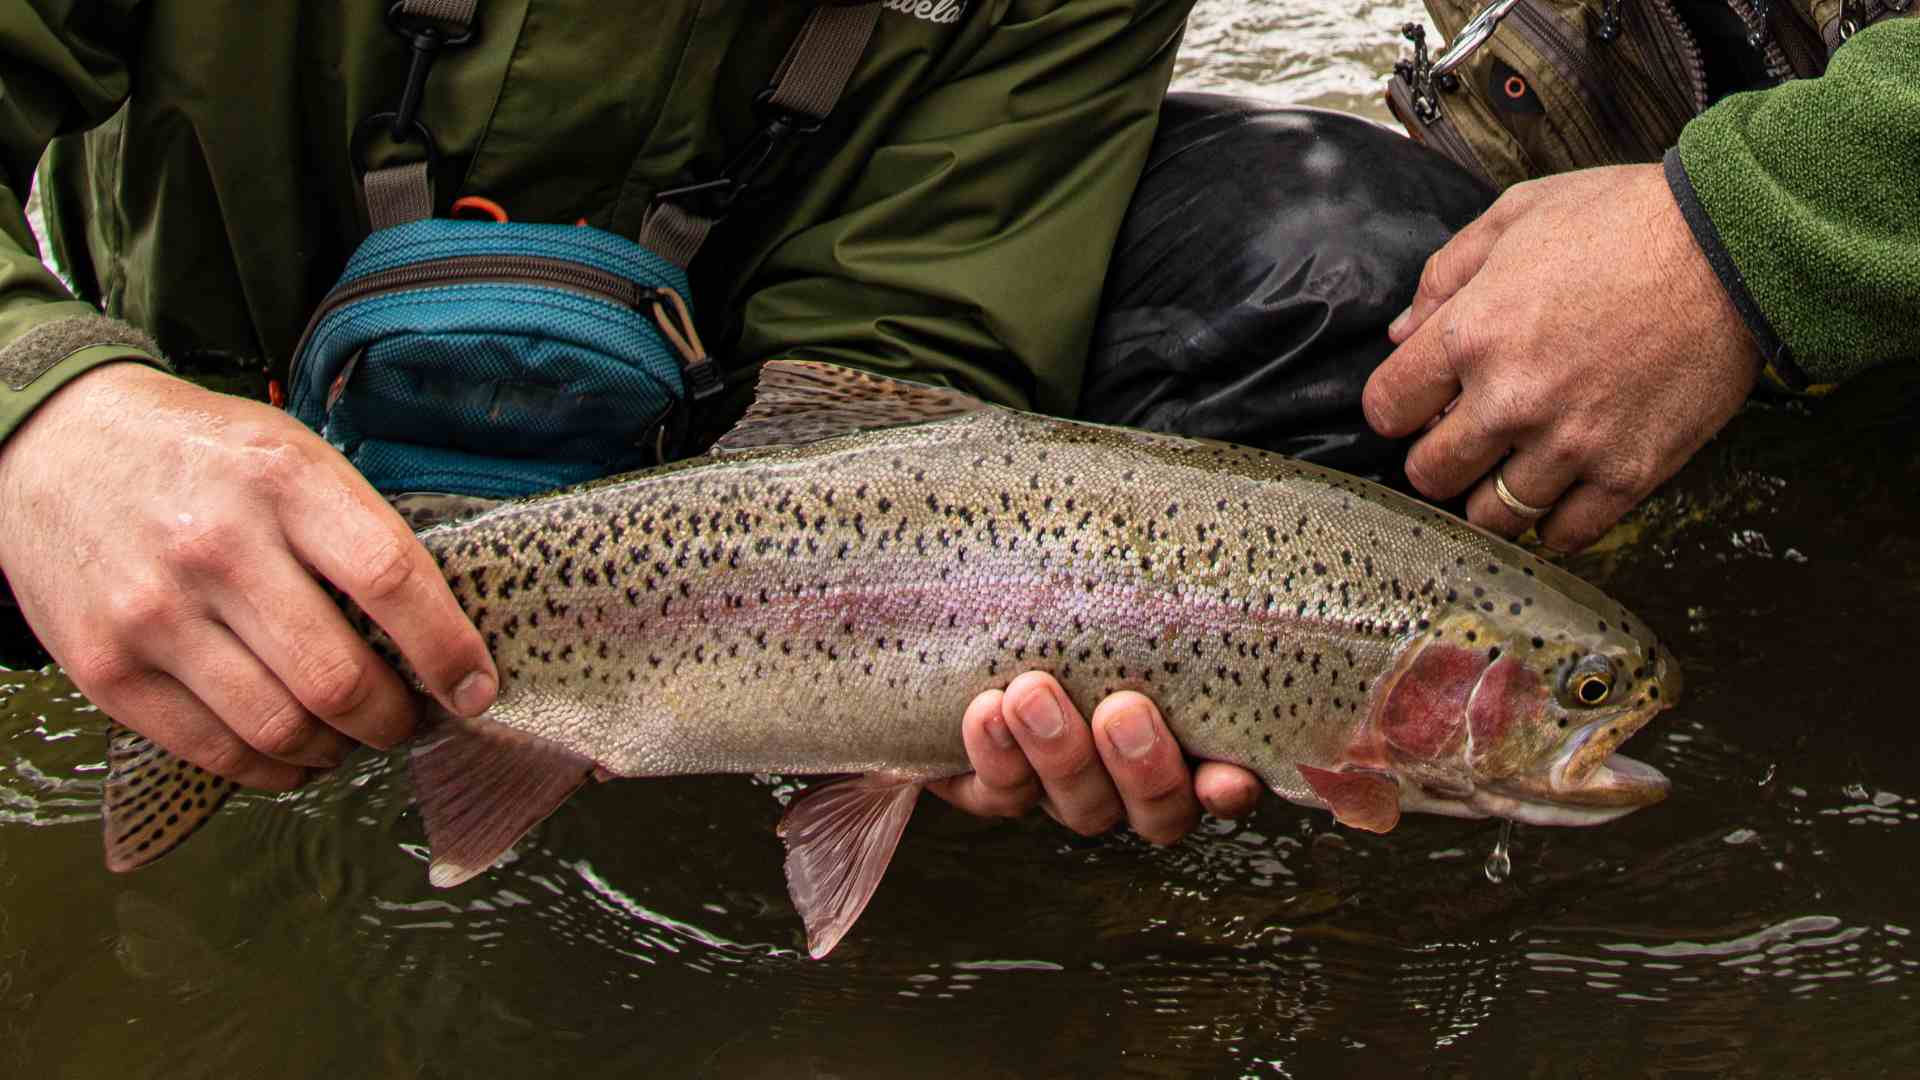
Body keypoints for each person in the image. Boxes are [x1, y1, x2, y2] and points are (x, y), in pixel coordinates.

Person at [0, 2, 1913, 849]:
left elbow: (895, 348)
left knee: (1344, 281)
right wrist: (53, 417)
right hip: (156, 411)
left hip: (710, 431)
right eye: (1569, 698)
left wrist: (910, 698)